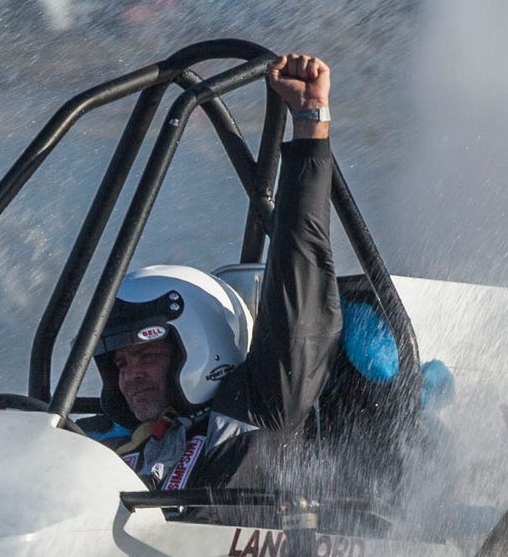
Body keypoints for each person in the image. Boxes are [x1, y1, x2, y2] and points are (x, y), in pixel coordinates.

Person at [89, 52, 346, 492]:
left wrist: (309, 122)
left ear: (202, 348)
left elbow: (301, 259)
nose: (130, 376)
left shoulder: (258, 406)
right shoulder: (118, 443)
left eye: (148, 355)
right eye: (121, 361)